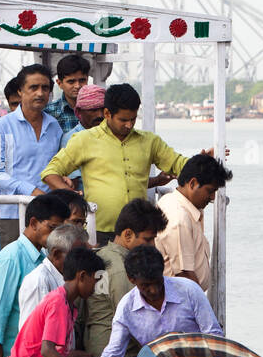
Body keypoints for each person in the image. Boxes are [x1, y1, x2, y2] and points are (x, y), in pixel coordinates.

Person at [39, 83, 188, 242]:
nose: (129, 125)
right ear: (107, 113)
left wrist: (203, 163)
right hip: (99, 231)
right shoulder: (85, 140)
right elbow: (50, 172)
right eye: (123, 120)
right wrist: (70, 195)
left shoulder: (150, 141)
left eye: (133, 119)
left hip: (139, 232)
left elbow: (179, 164)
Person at [91, 244, 221, 357]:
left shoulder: (189, 290)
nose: (153, 290)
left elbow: (213, 335)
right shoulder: (126, 308)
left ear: (163, 272)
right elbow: (112, 355)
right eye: (146, 285)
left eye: (157, 282)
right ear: (131, 279)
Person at [82, 198, 167, 357]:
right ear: (128, 235)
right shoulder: (123, 270)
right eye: (148, 240)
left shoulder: (102, 256)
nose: (152, 247)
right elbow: (139, 320)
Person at [0, 193, 69, 357]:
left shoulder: (43, 257)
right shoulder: (11, 258)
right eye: (52, 228)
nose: (56, 235)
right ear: (34, 222)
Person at [0, 64, 63, 248]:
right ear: (20, 91)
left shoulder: (54, 126)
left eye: (45, 88)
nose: (40, 93)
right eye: (33, 87)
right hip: (13, 213)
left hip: (49, 214)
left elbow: (58, 166)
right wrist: (30, 190)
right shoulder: (1, 126)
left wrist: (63, 178)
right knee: (15, 270)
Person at [156, 152, 231, 289]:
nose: (213, 197)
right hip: (180, 300)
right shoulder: (179, 218)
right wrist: (201, 308)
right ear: (192, 183)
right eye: (210, 191)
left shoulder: (175, 202)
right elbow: (184, 275)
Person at [18, 223, 89, 316]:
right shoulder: (39, 282)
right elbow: (33, 328)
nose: (82, 262)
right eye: (77, 256)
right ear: (57, 254)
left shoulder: (65, 279)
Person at [60, 84, 106, 192]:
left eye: (103, 109)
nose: (100, 115)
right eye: (93, 110)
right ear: (79, 112)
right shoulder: (71, 139)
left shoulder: (111, 135)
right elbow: (73, 183)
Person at [44, 55, 91, 134]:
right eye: (71, 82)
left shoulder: (98, 110)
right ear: (59, 83)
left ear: (87, 80)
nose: (77, 86)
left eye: (82, 80)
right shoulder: (48, 112)